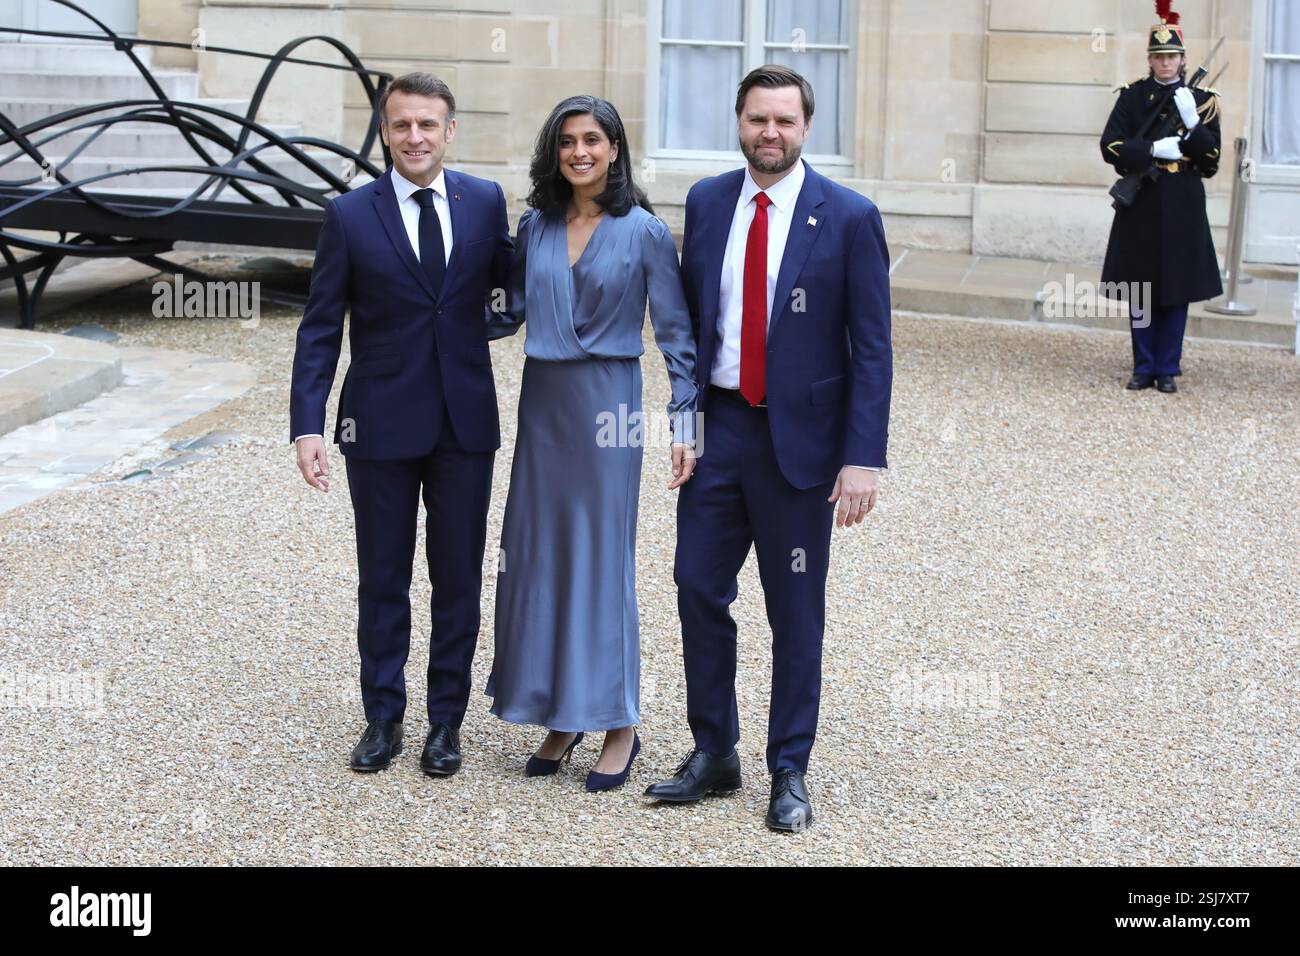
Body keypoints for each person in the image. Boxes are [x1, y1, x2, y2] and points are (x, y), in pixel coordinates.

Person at [642, 65, 893, 832]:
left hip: (802, 449)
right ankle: (715, 752)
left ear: (807, 127)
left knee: (795, 613)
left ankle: (790, 768)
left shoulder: (848, 217)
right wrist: (681, 428)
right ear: (740, 122)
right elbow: (687, 332)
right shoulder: (710, 201)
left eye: (784, 120)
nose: (770, 133)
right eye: (757, 119)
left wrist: (863, 457)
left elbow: (873, 349)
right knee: (695, 588)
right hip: (719, 432)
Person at [289, 72, 512, 776]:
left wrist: (474, 331)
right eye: (401, 125)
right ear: (384, 132)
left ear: (450, 131)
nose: (415, 136)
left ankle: (445, 723)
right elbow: (321, 327)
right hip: (378, 426)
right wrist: (307, 424)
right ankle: (382, 716)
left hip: (464, 424)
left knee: (458, 578)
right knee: (382, 578)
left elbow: (508, 288)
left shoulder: (483, 202)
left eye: (428, 124)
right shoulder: (350, 216)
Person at [484, 95, 699, 792]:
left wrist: (685, 425)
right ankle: (562, 713)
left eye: (593, 140)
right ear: (554, 152)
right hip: (543, 407)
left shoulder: (642, 232)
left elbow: (675, 335)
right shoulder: (536, 228)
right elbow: (506, 312)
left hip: (610, 408)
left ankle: (620, 721)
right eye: (567, 141)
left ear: (614, 149)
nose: (579, 152)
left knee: (602, 561)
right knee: (540, 561)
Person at [1100, 3, 1222, 394]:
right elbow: (1111, 146)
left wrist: (1193, 124)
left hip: (1183, 200)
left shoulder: (1201, 100)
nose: (1165, 62)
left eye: (1171, 56)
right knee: (1141, 286)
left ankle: (1168, 366)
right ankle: (1143, 365)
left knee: (1177, 286)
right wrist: (1153, 150)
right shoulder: (1133, 97)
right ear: (1150, 60)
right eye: (1159, 56)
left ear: (1183, 59)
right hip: (1145, 202)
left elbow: (1212, 159)